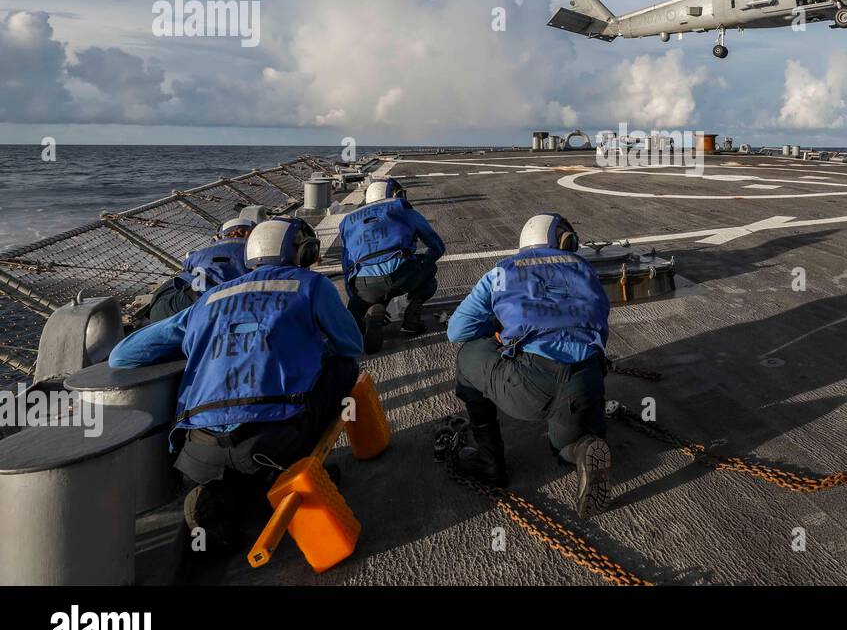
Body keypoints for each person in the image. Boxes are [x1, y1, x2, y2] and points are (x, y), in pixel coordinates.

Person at [108, 217, 363, 552]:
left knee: (237, 456)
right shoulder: (309, 285)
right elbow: (351, 345)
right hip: (275, 441)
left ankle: (221, 497)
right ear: (302, 252)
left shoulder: (209, 299)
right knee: (344, 369)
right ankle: (297, 466)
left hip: (196, 450)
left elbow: (121, 356)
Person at [447, 212, 613, 517]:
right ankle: (581, 449)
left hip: (530, 385)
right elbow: (598, 320)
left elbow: (457, 331)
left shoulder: (502, 272)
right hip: (587, 380)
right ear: (563, 239)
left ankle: (490, 461)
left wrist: (496, 334)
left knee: (468, 356)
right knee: (564, 445)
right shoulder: (585, 268)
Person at [338, 177, 446, 353]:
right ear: (395, 194)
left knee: (353, 322)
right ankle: (411, 319)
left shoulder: (347, 222)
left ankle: (368, 313)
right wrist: (423, 262)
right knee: (430, 272)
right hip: (402, 274)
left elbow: (346, 265)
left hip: (364, 284)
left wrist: (356, 296)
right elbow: (437, 247)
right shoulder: (402, 209)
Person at [142, 217, 255, 324]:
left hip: (190, 302)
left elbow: (188, 264)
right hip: (236, 305)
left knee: (172, 286)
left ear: (221, 236)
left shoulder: (202, 252)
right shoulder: (256, 251)